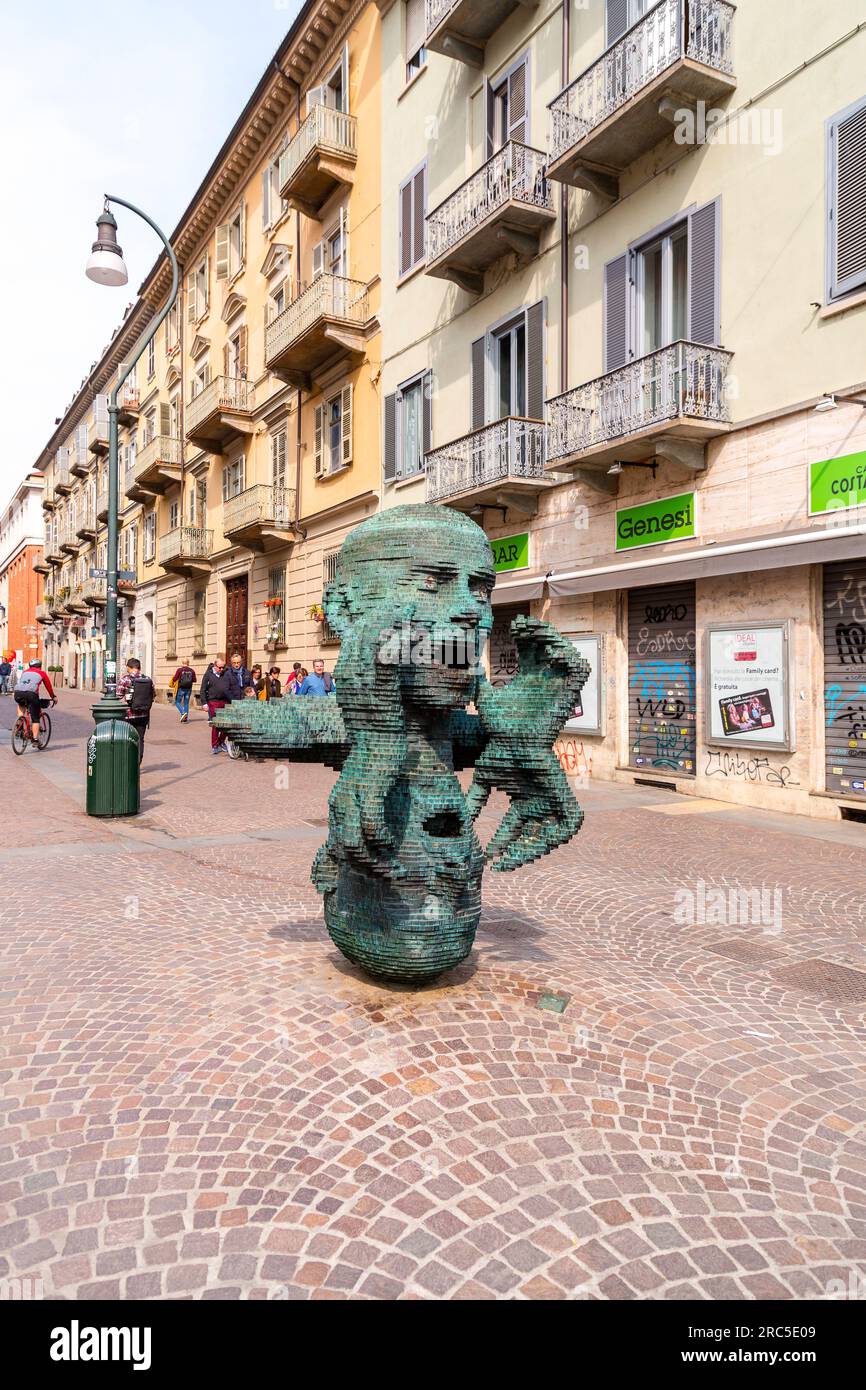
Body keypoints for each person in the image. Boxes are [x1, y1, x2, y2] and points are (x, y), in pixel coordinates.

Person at [116, 657, 155, 765]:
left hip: (129, 715)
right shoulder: (148, 679)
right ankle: (138, 761)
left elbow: (118, 696)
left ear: (128, 668)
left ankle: (128, 763)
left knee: (127, 738)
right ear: (139, 668)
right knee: (140, 739)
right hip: (143, 715)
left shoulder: (125, 680)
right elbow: (153, 695)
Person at [14, 659, 56, 745]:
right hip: (31, 695)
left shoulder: (25, 672)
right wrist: (53, 697)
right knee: (35, 718)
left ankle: (20, 724)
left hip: (18, 693)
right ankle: (35, 739)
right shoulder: (42, 673)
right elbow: (48, 687)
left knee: (21, 704)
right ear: (40, 666)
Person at [199, 655, 235, 753]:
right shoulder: (208, 674)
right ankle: (214, 745)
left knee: (226, 724)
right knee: (216, 725)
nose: (221, 669)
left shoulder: (226, 673)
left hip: (225, 701)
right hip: (213, 702)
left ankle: (221, 741)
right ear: (215, 666)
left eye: (223, 667)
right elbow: (203, 689)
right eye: (220, 667)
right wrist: (204, 703)